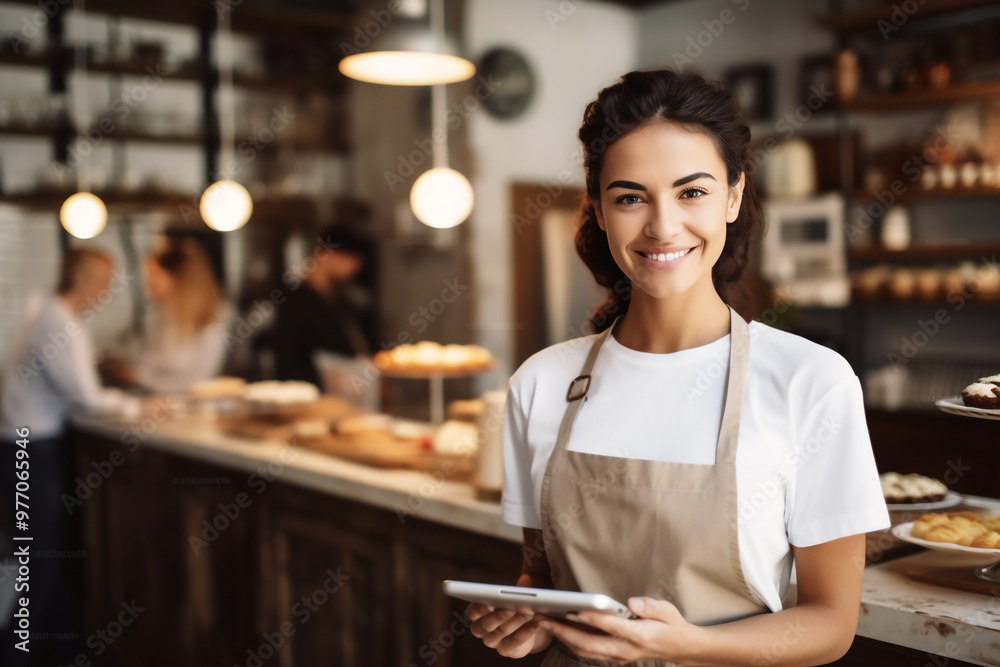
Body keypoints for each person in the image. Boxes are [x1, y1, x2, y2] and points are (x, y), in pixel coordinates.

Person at [468, 69, 890, 666]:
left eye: (692, 192)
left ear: (734, 196)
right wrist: (530, 624)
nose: (662, 226)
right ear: (600, 209)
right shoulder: (540, 384)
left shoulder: (811, 381)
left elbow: (830, 624)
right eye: (630, 197)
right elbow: (543, 581)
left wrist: (694, 646)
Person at [0, 247, 139, 667]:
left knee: (49, 561)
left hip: (26, 445)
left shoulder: (45, 309)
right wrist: (138, 408)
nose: (106, 292)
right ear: (82, 278)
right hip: (28, 450)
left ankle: (58, 653)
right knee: (38, 567)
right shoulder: (59, 321)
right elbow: (87, 397)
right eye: (104, 282)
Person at [102, 236, 231, 394]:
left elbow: (197, 382)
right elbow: (149, 363)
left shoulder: (212, 319)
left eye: (154, 282)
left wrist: (138, 376)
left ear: (178, 280)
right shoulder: (162, 316)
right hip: (155, 404)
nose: (150, 291)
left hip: (187, 409)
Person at [272, 225, 374, 388]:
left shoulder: (344, 300)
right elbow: (286, 364)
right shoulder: (294, 300)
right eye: (346, 258)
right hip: (312, 401)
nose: (355, 267)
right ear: (323, 254)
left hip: (349, 397)